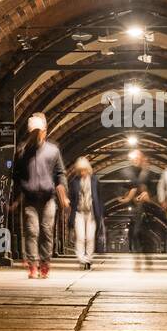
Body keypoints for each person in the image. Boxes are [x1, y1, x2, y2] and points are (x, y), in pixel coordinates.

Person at [11, 112, 69, 279]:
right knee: (31, 230)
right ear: (30, 132)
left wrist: (63, 195)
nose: (36, 134)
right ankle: (32, 265)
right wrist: (18, 196)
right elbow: (16, 175)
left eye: (39, 131)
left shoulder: (53, 151)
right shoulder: (22, 152)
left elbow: (60, 173)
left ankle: (45, 263)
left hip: (48, 198)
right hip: (29, 198)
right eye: (33, 132)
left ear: (44, 131)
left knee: (46, 230)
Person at [121, 150, 159, 271]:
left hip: (148, 209)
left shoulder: (148, 174)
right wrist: (127, 195)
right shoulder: (128, 172)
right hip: (136, 209)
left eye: (138, 157)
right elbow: (123, 188)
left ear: (142, 158)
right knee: (136, 233)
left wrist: (148, 194)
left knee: (146, 233)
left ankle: (147, 257)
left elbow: (155, 189)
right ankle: (137, 258)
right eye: (134, 158)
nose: (135, 160)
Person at [67, 156, 105, 269]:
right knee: (80, 237)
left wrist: (100, 213)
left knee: (90, 237)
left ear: (88, 169)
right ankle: (81, 259)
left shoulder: (95, 181)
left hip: (91, 213)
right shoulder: (74, 181)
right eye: (80, 170)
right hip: (78, 212)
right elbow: (72, 198)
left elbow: (99, 198)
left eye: (84, 170)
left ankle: (88, 258)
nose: (82, 172)